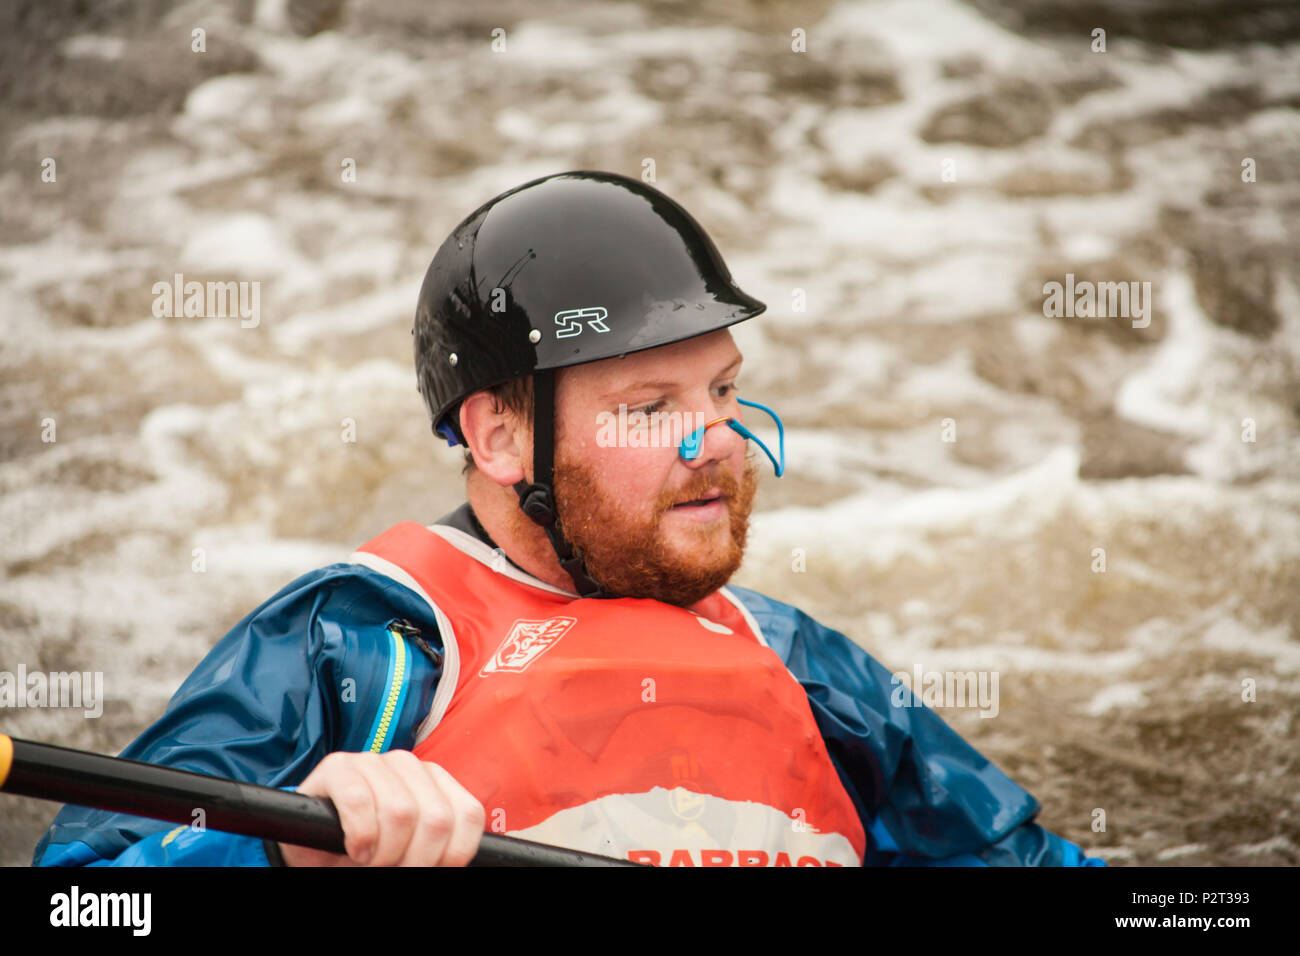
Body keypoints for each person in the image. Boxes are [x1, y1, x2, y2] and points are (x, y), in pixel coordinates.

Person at [34, 170, 1102, 867]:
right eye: (649, 408)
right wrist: (282, 850)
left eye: (723, 392)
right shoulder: (365, 646)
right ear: (497, 438)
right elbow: (82, 900)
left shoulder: (801, 667)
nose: (718, 440)